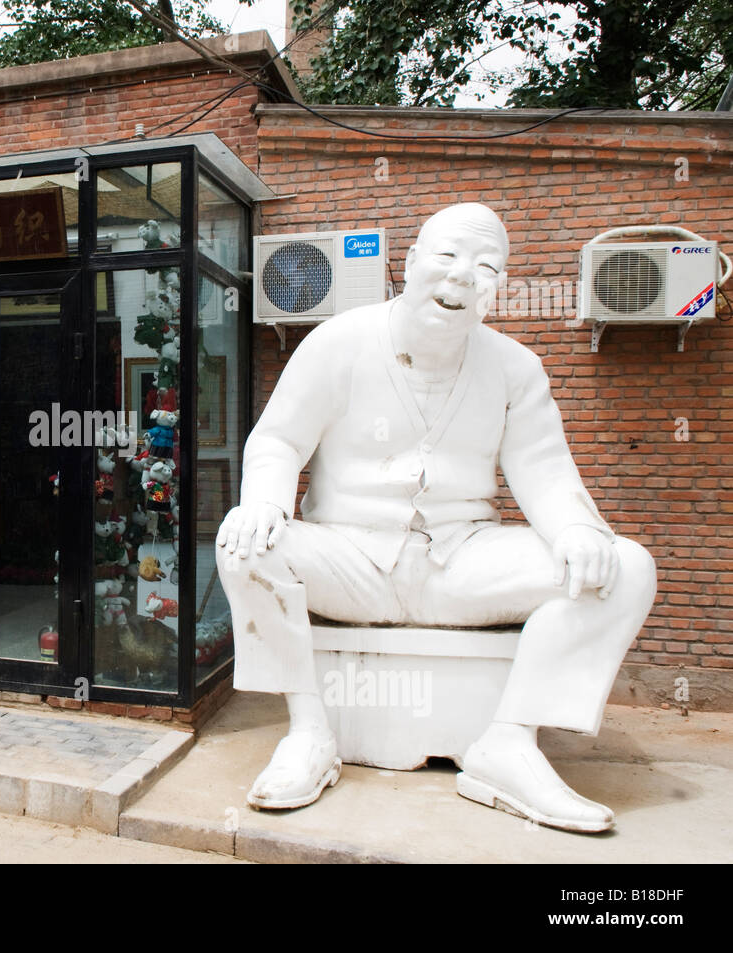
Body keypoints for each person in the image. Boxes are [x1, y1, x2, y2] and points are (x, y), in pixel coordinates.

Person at [216, 203, 657, 833]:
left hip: (461, 564)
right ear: (412, 261)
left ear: (499, 285)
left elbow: (545, 468)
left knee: (626, 567)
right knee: (243, 545)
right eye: (447, 257)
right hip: (348, 558)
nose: (462, 277)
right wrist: (264, 501)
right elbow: (279, 441)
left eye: (486, 267)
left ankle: (507, 744)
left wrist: (578, 529)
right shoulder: (338, 342)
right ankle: (311, 733)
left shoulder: (516, 368)